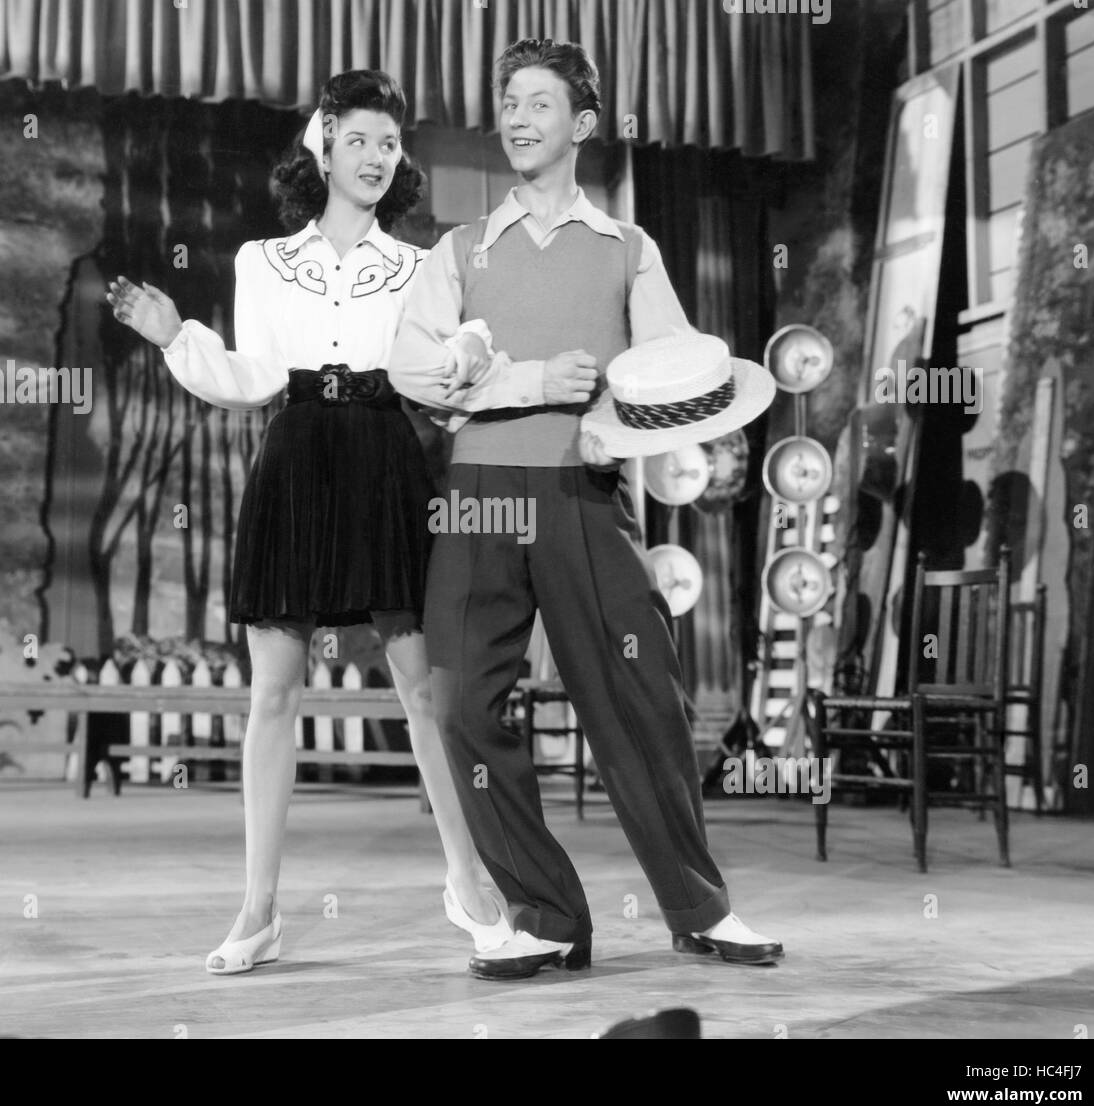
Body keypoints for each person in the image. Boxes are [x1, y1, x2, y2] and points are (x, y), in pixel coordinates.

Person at [389, 39, 785, 980]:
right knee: (462, 707)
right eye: (508, 103)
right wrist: (526, 379)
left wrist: (618, 417)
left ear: (583, 126)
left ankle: (700, 906)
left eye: (537, 103)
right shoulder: (457, 251)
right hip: (477, 498)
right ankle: (547, 913)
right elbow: (411, 367)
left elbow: (672, 374)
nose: (517, 119)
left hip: (582, 494)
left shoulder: (630, 250)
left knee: (640, 703)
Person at [105, 69, 511, 974]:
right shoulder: (261, 261)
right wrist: (180, 337)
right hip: (294, 459)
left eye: (389, 142)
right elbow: (250, 378)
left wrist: (475, 348)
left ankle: (467, 881)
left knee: (420, 690)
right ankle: (257, 909)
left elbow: (453, 361)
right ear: (322, 145)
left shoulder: (419, 265)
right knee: (274, 692)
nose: (375, 156)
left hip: (382, 460)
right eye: (358, 138)